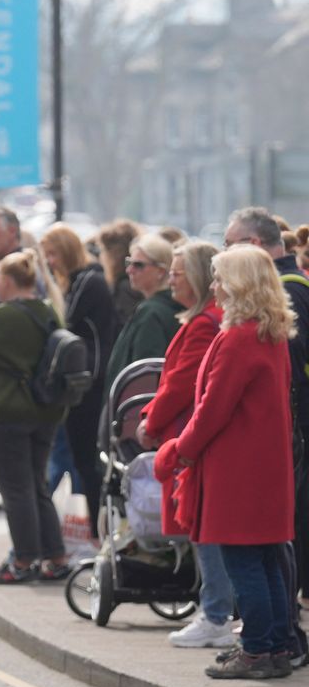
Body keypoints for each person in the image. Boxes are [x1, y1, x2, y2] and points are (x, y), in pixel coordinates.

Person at [159, 247, 299, 679]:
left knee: (243, 563)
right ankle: (275, 645)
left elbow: (212, 410)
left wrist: (178, 451)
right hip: (265, 466)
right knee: (266, 560)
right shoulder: (270, 333)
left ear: (239, 285)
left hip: (237, 470)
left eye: (220, 279)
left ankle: (256, 650)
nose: (214, 287)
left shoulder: (238, 338)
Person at [0, 250, 72, 584]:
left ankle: (22, 561)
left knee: (15, 490)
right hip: (45, 412)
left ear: (5, 281)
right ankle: (55, 556)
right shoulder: (49, 314)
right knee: (37, 486)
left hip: (3, 413)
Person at [142, 241, 231, 648]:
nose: (171, 279)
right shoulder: (205, 320)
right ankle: (215, 608)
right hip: (189, 435)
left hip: (187, 437)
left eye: (178, 273)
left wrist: (150, 421)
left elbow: (179, 385)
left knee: (202, 524)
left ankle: (215, 612)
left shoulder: (203, 323)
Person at [223, 207, 309, 608]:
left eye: (229, 247)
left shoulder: (286, 294)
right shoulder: (295, 288)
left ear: (253, 247)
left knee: (275, 544)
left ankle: (272, 636)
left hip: (290, 436)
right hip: (290, 434)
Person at [40, 224, 119, 530]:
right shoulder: (79, 282)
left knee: (87, 462)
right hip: (84, 384)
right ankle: (95, 529)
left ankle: (100, 530)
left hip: (88, 386)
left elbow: (68, 326)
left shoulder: (89, 282)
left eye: (54, 254)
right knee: (82, 462)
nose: (50, 261)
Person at [105, 233, 180, 384]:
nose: (129, 270)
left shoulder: (151, 313)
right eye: (129, 262)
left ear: (160, 272)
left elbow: (144, 375)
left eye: (138, 265)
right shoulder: (165, 306)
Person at [96, 219, 142, 324]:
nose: (101, 256)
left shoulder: (125, 286)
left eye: (103, 250)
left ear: (114, 254)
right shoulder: (132, 281)